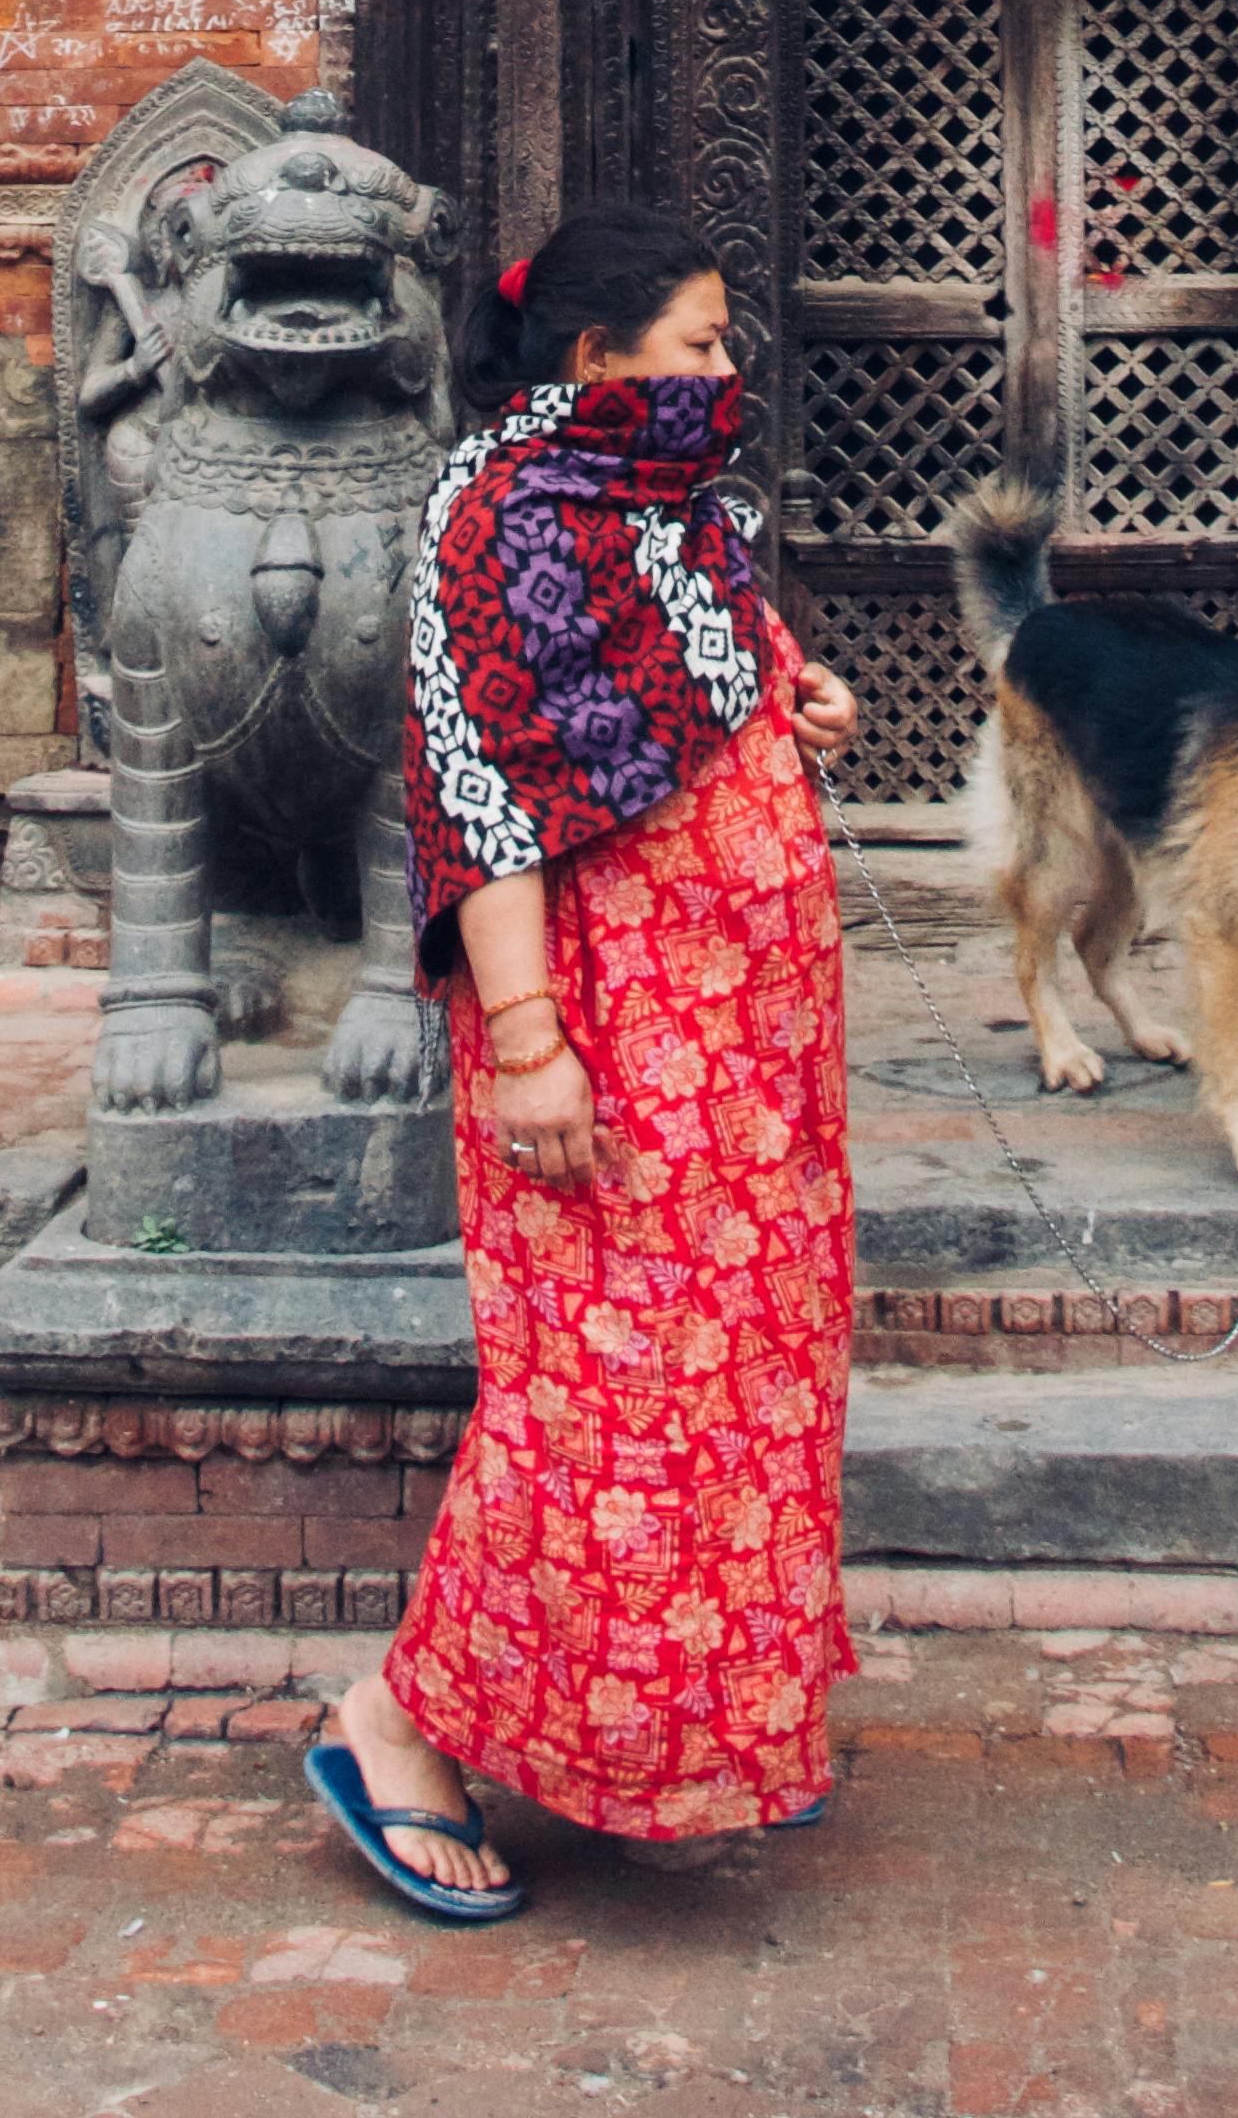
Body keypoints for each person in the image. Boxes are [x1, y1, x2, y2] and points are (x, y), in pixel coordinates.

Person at [306, 207, 861, 1917]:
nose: (726, 375)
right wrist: (531, 1046)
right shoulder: (504, 518)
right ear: (596, 364)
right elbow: (483, 783)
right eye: (697, 346)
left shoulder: (673, 518)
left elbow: (676, 697)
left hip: (746, 1050)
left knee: (737, 1390)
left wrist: (789, 696)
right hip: (614, 1040)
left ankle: (684, 1734)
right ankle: (395, 1726)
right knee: (603, 1408)